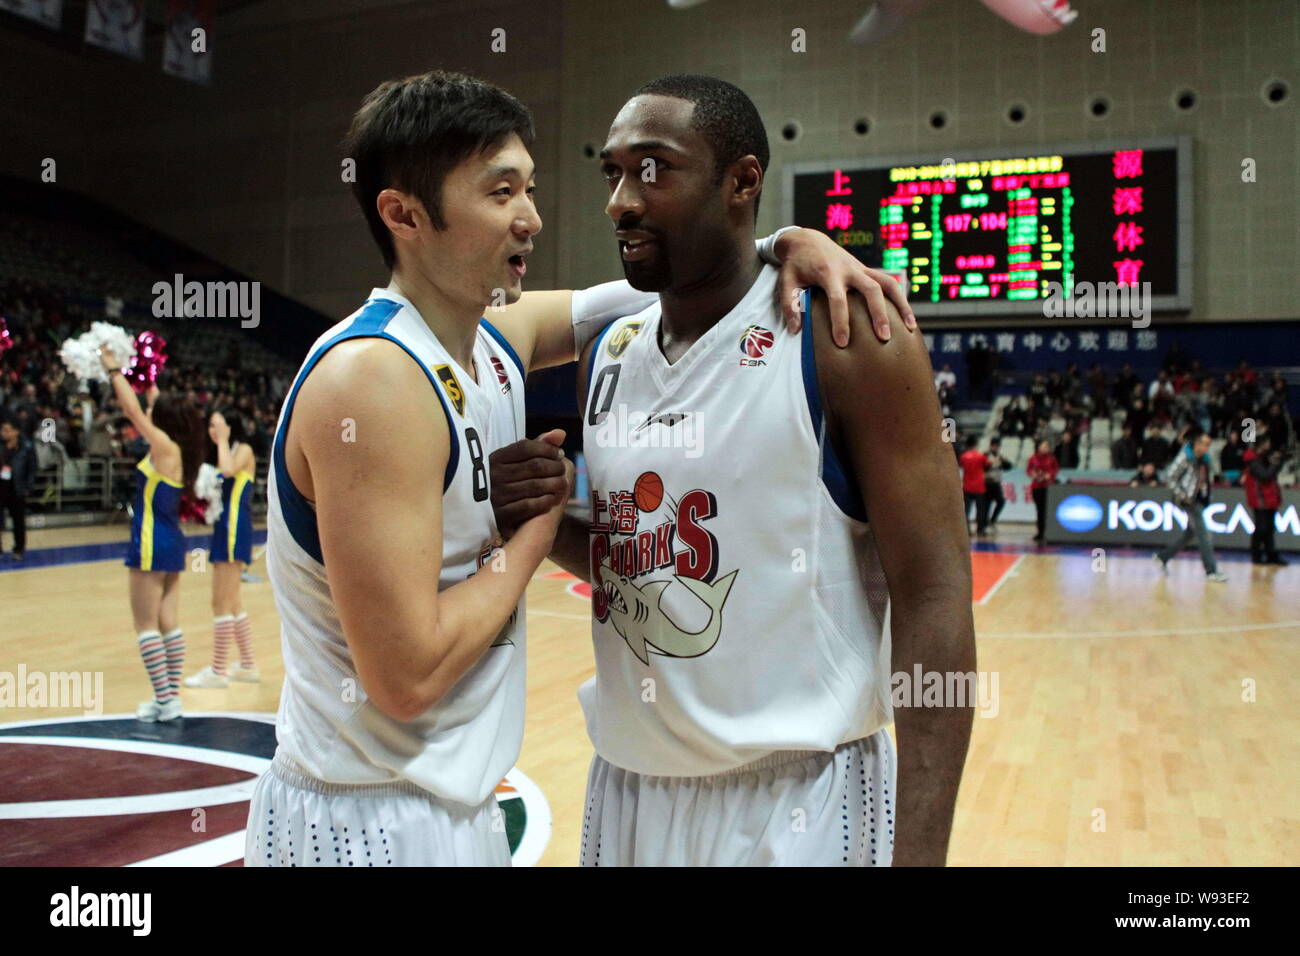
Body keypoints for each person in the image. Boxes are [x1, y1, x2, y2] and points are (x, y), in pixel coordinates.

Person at [244, 70, 909, 868]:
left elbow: (676, 280)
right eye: (499, 194)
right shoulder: (374, 379)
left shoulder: (492, 337)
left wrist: (789, 243)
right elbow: (408, 678)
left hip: (445, 803)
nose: (531, 217)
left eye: (528, 186)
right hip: (361, 815)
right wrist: (538, 525)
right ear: (404, 214)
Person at [491, 74, 972, 867]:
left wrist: (919, 857)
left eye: (652, 169)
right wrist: (545, 524)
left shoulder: (849, 340)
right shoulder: (608, 349)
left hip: (799, 796)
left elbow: (935, 592)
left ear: (742, 180)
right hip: (630, 786)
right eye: (611, 172)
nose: (620, 199)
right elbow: (639, 568)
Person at [98, 349, 208, 721]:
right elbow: (151, 405)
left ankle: (165, 699)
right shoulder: (178, 448)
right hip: (172, 540)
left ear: (163, 423)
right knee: (168, 623)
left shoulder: (162, 447)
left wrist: (113, 369)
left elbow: (131, 412)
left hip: (149, 539)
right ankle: (169, 700)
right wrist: (147, 374)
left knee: (145, 624)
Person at [184, 409, 261, 688]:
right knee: (233, 601)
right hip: (224, 527)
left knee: (219, 602)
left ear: (231, 426)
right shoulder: (225, 451)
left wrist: (221, 442)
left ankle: (218, 671)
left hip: (233, 528)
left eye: (217, 425)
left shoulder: (244, 449)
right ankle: (249, 665)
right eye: (210, 427)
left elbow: (228, 470)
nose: (212, 431)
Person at [1154, 432, 1227, 581]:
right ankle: (1211, 571)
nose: (1207, 448)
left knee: (1190, 534)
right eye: (1205, 444)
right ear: (1197, 444)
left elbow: (1206, 478)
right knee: (1204, 535)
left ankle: (1163, 557)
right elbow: (1170, 477)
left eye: (1209, 445)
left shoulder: (1205, 459)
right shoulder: (1185, 457)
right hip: (1188, 501)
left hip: (1199, 498)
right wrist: (1182, 495)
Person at [1243, 437, 1286, 565]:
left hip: (1270, 497)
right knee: (1261, 527)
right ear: (1261, 445)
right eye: (1267, 443)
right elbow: (1265, 476)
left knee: (1270, 528)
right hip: (1259, 498)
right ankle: (1256, 555)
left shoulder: (1264, 457)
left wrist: (1278, 462)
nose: (1269, 445)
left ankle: (1271, 554)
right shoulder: (1253, 459)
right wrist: (1275, 464)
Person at [0, 416, 36, 561]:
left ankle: (19, 549)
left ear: (16, 432)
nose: (3, 433)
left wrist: (28, 487)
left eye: (7, 430)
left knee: (18, 522)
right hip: (1, 487)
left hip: (17, 488)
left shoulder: (26, 447)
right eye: (2, 430)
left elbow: (32, 469)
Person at [1027, 439, 1059, 544]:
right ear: (1039, 447)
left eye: (1047, 446)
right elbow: (1029, 470)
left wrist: (1050, 475)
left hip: (1048, 487)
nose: (1046, 448)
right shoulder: (1033, 458)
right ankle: (1040, 532)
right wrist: (1033, 474)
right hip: (1036, 486)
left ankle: (1049, 532)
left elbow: (1055, 469)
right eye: (1044, 446)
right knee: (1039, 510)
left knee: (1047, 510)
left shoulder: (1051, 458)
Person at [959, 436, 990, 536]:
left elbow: (961, 466)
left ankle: (967, 531)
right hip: (979, 487)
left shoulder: (963, 456)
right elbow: (987, 465)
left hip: (967, 486)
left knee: (966, 510)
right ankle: (980, 530)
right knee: (980, 510)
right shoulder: (980, 456)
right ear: (976, 444)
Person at [983, 436, 1012, 531]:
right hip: (987, 482)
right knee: (986, 505)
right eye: (994, 446)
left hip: (996, 483)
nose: (996, 448)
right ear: (991, 446)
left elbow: (1009, 466)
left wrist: (1002, 462)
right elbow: (982, 467)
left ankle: (993, 520)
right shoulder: (985, 455)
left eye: (997, 446)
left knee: (1001, 501)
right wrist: (990, 463)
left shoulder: (1000, 456)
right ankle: (984, 524)